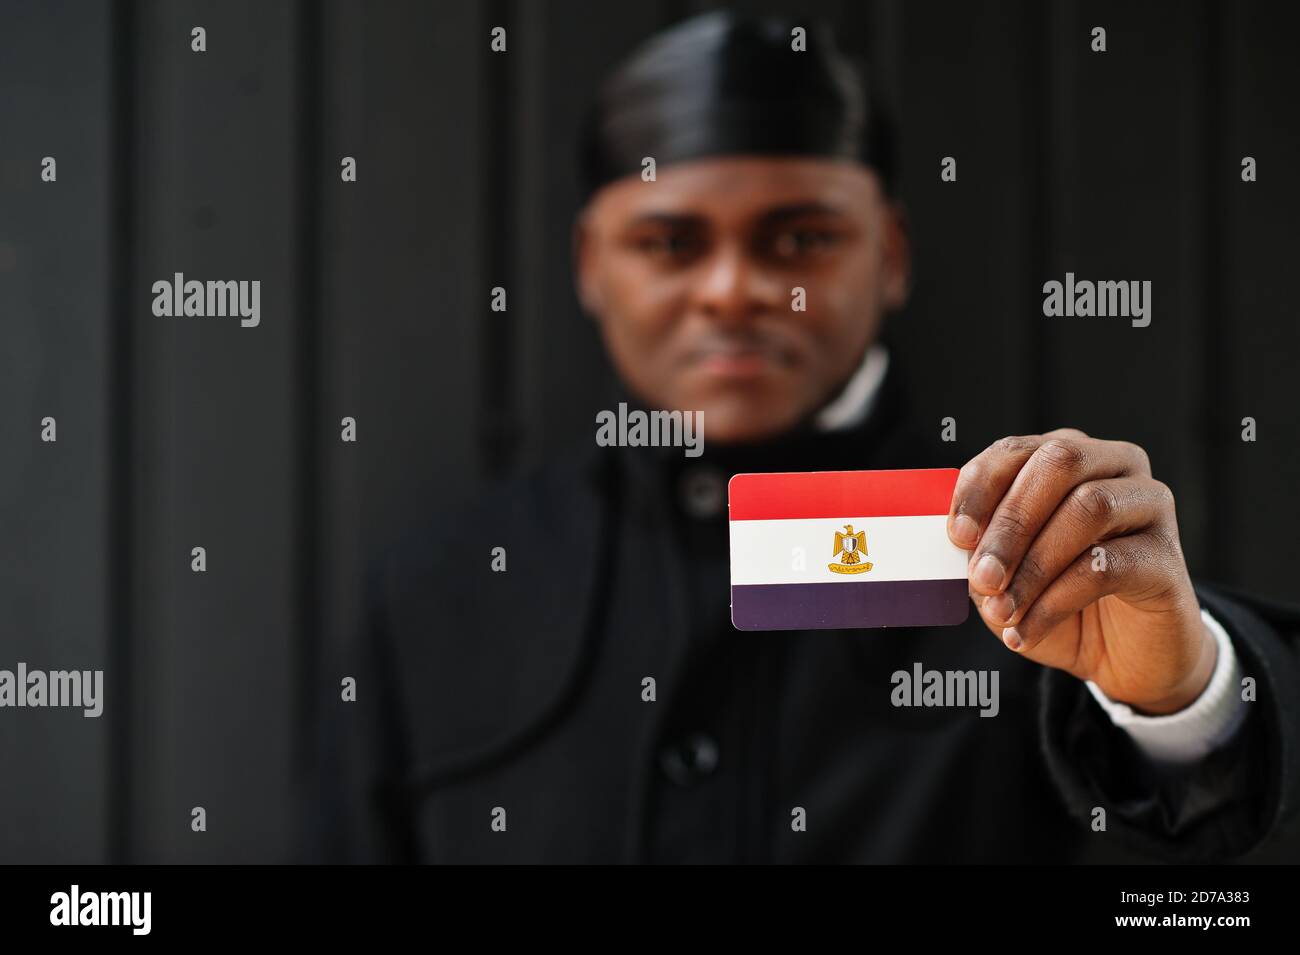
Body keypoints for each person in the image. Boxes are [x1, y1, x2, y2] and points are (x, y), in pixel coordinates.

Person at [308, 11, 1299, 864]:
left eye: (800, 238)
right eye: (667, 242)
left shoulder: (1036, 552)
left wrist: (1183, 695)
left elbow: (1206, 829)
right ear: (590, 265)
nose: (734, 288)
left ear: (891, 254)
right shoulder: (437, 594)